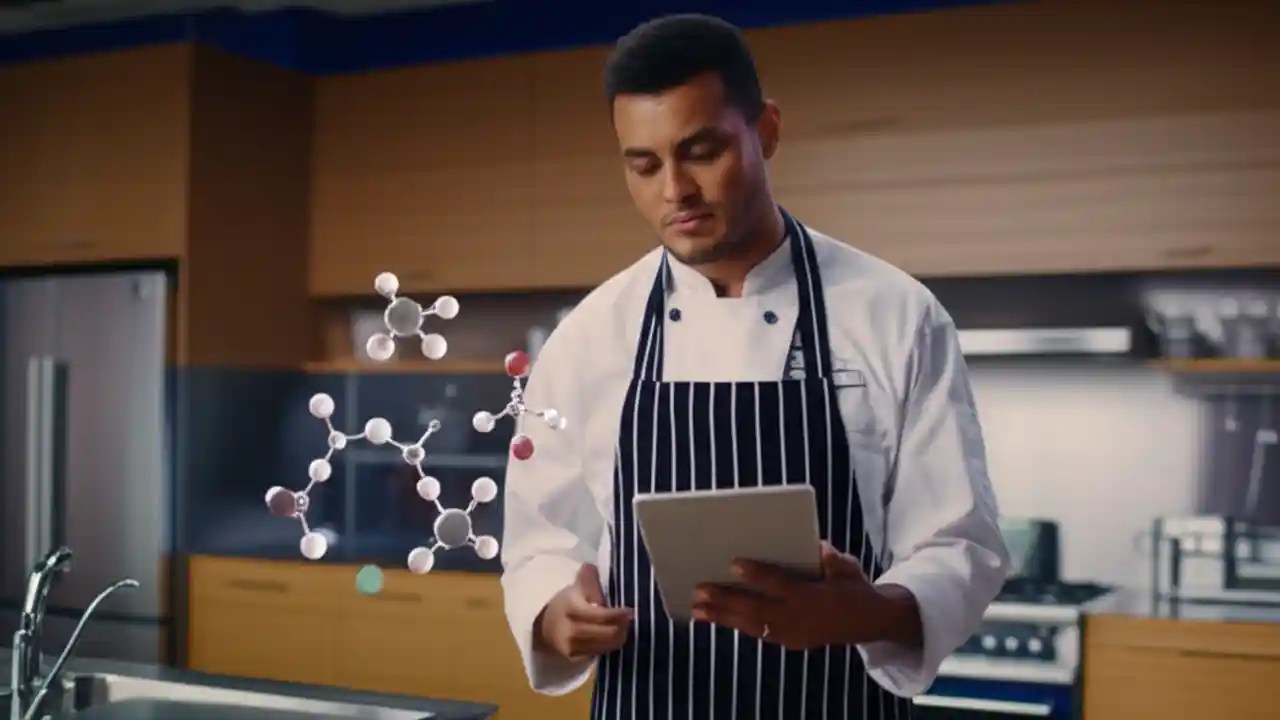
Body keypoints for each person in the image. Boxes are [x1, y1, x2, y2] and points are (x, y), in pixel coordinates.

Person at [499, 13, 1010, 720]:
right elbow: (542, 540)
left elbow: (959, 541)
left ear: (766, 131)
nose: (675, 190)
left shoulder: (896, 316)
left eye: (702, 151)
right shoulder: (588, 337)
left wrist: (873, 610)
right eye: (643, 165)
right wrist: (558, 614)